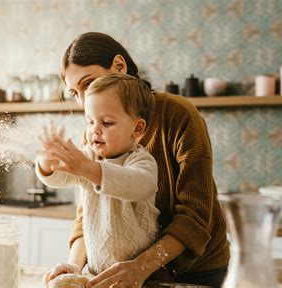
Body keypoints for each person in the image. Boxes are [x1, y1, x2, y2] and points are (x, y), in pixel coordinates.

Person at [46, 32, 230, 287]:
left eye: (88, 84)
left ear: (120, 67)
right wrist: (75, 264)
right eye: (75, 93)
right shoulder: (94, 134)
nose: (83, 101)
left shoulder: (179, 115)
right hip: (126, 273)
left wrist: (143, 266)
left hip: (197, 271)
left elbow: (196, 214)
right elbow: (87, 213)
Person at [36, 73, 160, 280]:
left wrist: (88, 168)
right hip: (95, 275)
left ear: (137, 128)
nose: (95, 130)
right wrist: (47, 163)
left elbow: (137, 184)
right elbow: (58, 178)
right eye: (90, 121)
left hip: (139, 278)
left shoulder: (141, 161)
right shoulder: (89, 158)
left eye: (107, 123)